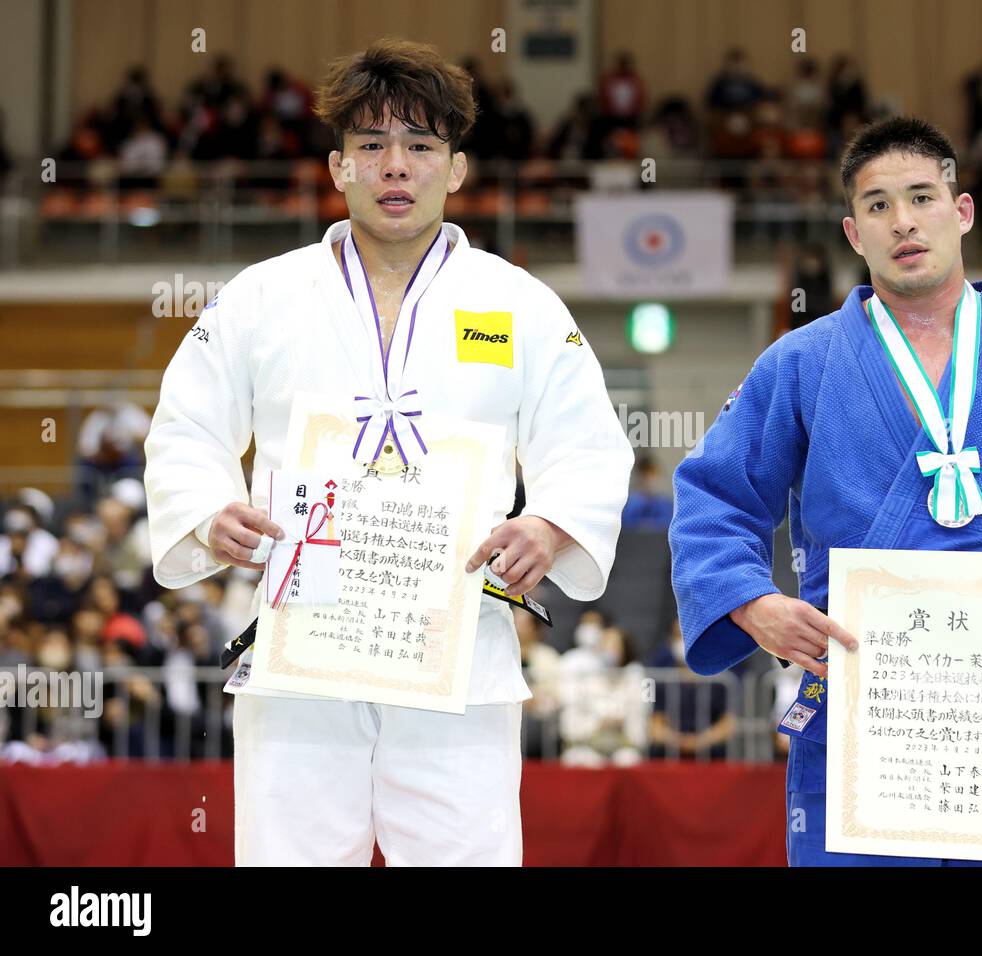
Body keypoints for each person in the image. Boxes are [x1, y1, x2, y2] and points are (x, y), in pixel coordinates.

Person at [144, 39, 633, 866]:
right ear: (338, 167)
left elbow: (587, 443)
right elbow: (186, 426)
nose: (395, 167)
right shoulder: (263, 298)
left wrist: (548, 525)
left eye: (420, 147)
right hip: (300, 645)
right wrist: (206, 512)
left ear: (458, 169)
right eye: (371, 146)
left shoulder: (518, 304)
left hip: (458, 652)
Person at [669, 117, 982, 866]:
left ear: (961, 212)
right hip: (861, 723)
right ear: (852, 233)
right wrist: (751, 601)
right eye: (877, 205)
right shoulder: (802, 364)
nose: (902, 221)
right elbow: (714, 497)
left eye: (922, 197)